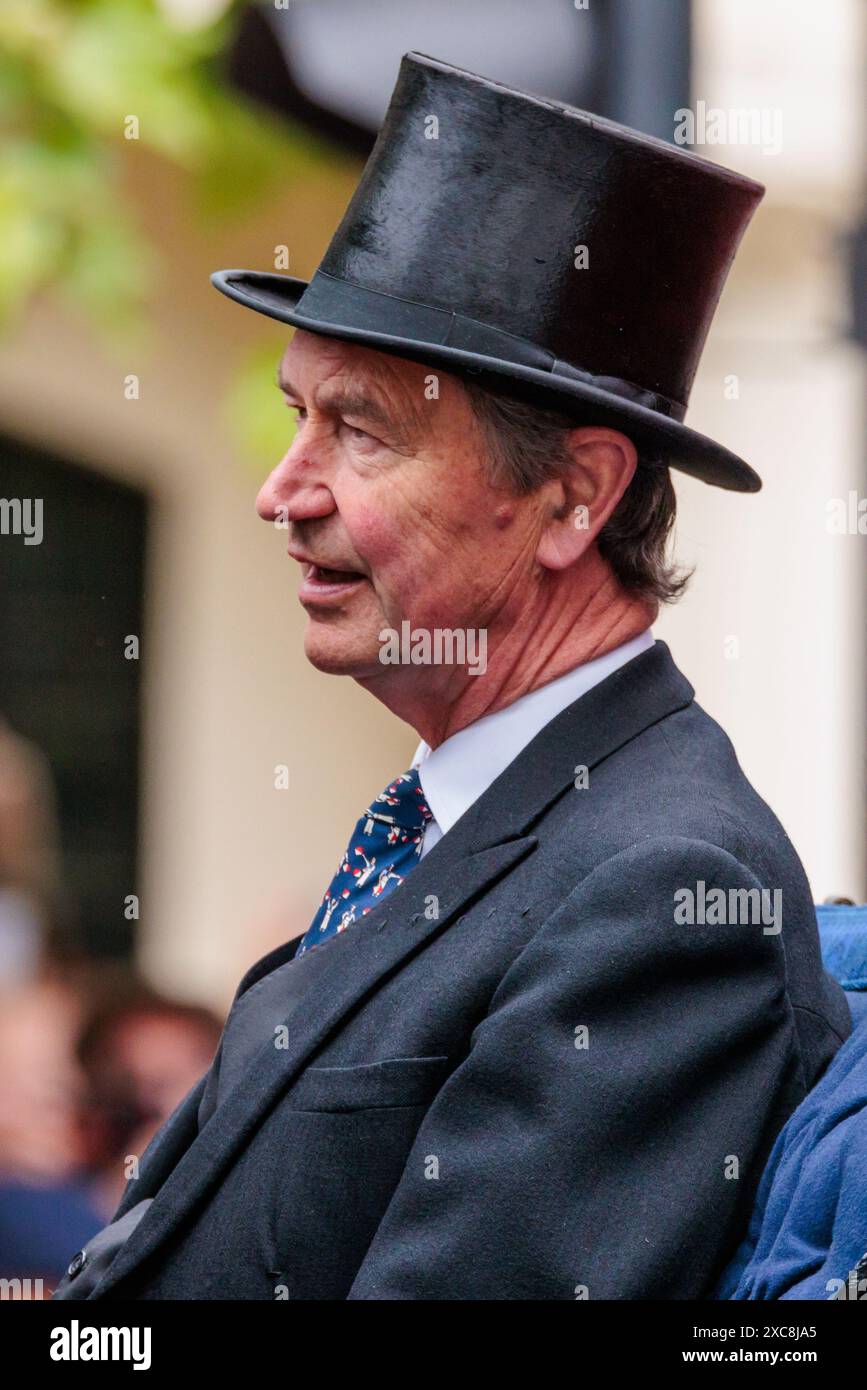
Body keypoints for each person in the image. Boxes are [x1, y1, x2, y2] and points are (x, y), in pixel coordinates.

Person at [53, 52, 849, 1302]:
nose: (283, 489)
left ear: (574, 496)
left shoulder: (663, 888)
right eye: (295, 414)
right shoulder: (478, 822)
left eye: (360, 428)